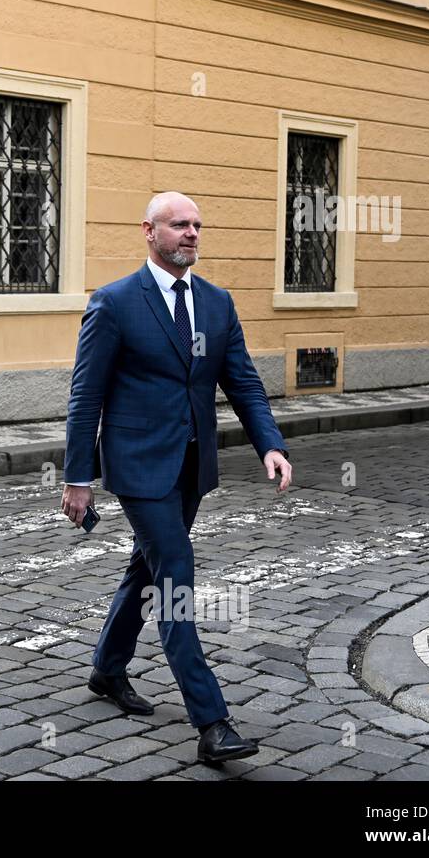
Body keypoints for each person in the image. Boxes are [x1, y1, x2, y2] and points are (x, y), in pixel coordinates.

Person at [60, 191, 293, 765]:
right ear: (149, 232)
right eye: (179, 225)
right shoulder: (114, 303)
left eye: (197, 225)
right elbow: (85, 396)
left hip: (192, 465)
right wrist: (78, 477)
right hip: (138, 466)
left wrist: (270, 444)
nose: (191, 233)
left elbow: (243, 382)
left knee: (147, 566)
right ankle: (212, 722)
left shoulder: (216, 303)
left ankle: (107, 670)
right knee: (175, 577)